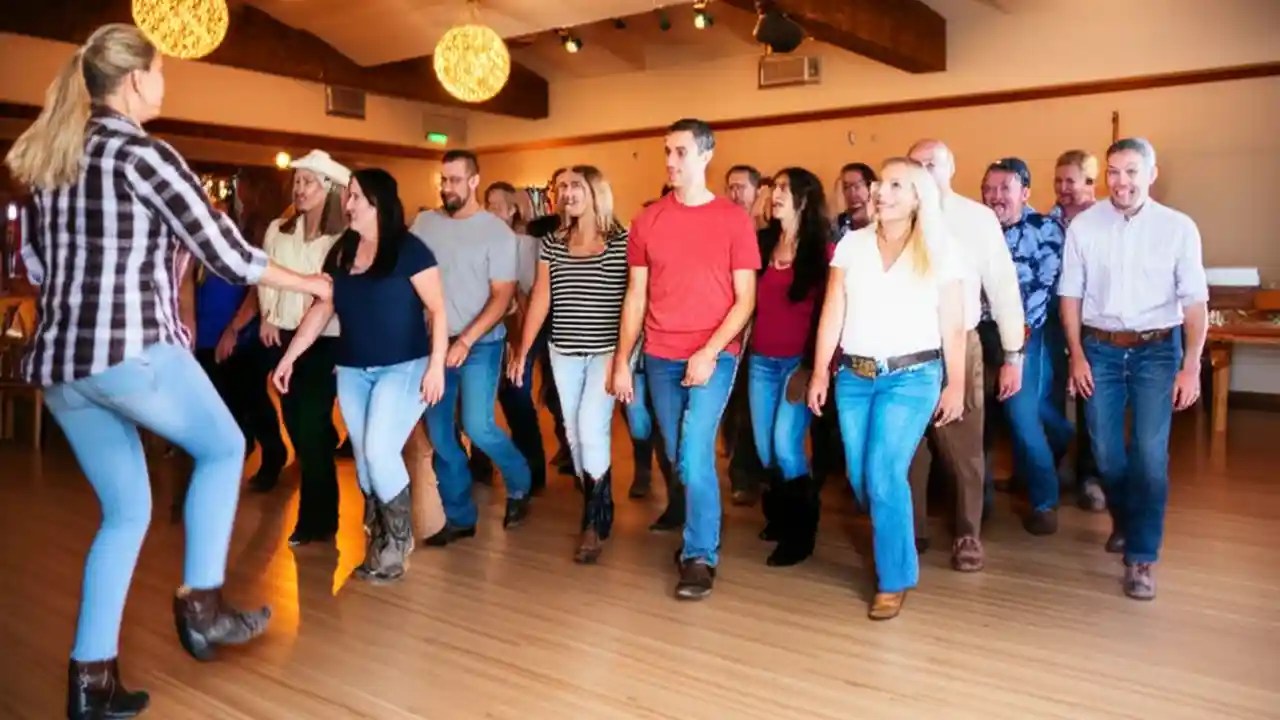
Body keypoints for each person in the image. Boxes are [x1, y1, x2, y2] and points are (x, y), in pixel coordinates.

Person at [4, 23, 330, 718]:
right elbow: (225, 251)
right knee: (223, 445)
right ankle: (203, 605)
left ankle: (90, 683)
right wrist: (311, 286)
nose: (165, 84)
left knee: (124, 514)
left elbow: (30, 267)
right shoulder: (145, 156)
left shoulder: (53, 159)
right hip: (131, 351)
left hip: (63, 367)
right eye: (161, 72)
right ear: (133, 82)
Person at [808, 157, 966, 620]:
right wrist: (820, 371)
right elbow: (832, 311)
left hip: (913, 377)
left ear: (919, 196)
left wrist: (955, 383)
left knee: (882, 473)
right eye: (881, 183)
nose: (882, 191)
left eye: (897, 185)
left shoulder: (940, 248)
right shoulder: (850, 246)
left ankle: (894, 579)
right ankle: (896, 543)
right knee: (862, 479)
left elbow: (953, 325)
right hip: (854, 378)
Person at [274, 168, 448, 583]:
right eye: (347, 196)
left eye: (355, 197)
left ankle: (396, 544)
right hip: (352, 369)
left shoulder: (410, 249)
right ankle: (380, 534)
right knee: (367, 464)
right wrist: (289, 358)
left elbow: (438, 310)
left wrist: (437, 365)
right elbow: (323, 308)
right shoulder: (342, 250)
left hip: (403, 367)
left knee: (379, 450)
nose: (347, 204)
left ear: (377, 203)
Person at [613, 118, 761, 601]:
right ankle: (703, 527)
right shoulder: (647, 220)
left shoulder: (733, 219)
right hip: (659, 354)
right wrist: (621, 361)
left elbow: (745, 301)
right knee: (679, 457)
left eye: (679, 152)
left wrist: (709, 351)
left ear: (705, 155)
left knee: (695, 453)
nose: (671, 161)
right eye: (666, 152)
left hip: (714, 353)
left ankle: (699, 555)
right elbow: (635, 297)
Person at [1058, 137, 1208, 601]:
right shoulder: (1085, 226)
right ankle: (1127, 518)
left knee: (1149, 452)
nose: (1121, 182)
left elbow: (1195, 302)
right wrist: (1077, 354)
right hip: (1099, 349)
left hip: (1157, 350)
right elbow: (1071, 296)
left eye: (1130, 172)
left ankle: (1142, 556)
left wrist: (1192, 365)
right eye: (1113, 172)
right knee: (1104, 453)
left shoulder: (1179, 228)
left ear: (1151, 174)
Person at [410, 150, 533, 539]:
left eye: (455, 180)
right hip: (434, 345)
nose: (447, 188)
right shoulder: (425, 223)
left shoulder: (496, 232)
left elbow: (502, 296)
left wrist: (465, 339)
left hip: (480, 343)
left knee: (477, 426)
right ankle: (461, 515)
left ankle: (519, 482)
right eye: (443, 180)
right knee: (441, 433)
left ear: (475, 181)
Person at [510, 165, 629, 563]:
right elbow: (542, 298)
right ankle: (601, 496)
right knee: (575, 436)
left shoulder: (622, 242)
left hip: (606, 352)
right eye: (562, 187)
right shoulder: (553, 243)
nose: (567, 193)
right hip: (563, 350)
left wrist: (627, 358)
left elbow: (635, 300)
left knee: (592, 429)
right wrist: (524, 349)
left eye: (575, 185)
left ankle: (592, 522)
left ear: (596, 190)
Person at [258, 149, 350, 546]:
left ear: (328, 189)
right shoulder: (279, 229)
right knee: (296, 424)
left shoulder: (343, 238)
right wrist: (266, 315)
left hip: (326, 342)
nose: (300, 188)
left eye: (309, 181)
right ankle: (320, 509)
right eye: (297, 181)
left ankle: (319, 518)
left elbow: (340, 297)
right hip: (282, 336)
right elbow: (264, 275)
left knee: (311, 431)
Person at [750, 167, 831, 567]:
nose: (774, 194)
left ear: (803, 198)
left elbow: (831, 315)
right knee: (767, 449)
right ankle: (780, 517)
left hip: (797, 366)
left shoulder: (822, 252)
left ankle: (801, 533)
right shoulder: (762, 243)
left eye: (783, 188)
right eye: (772, 187)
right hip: (760, 363)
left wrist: (816, 367)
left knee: (786, 443)